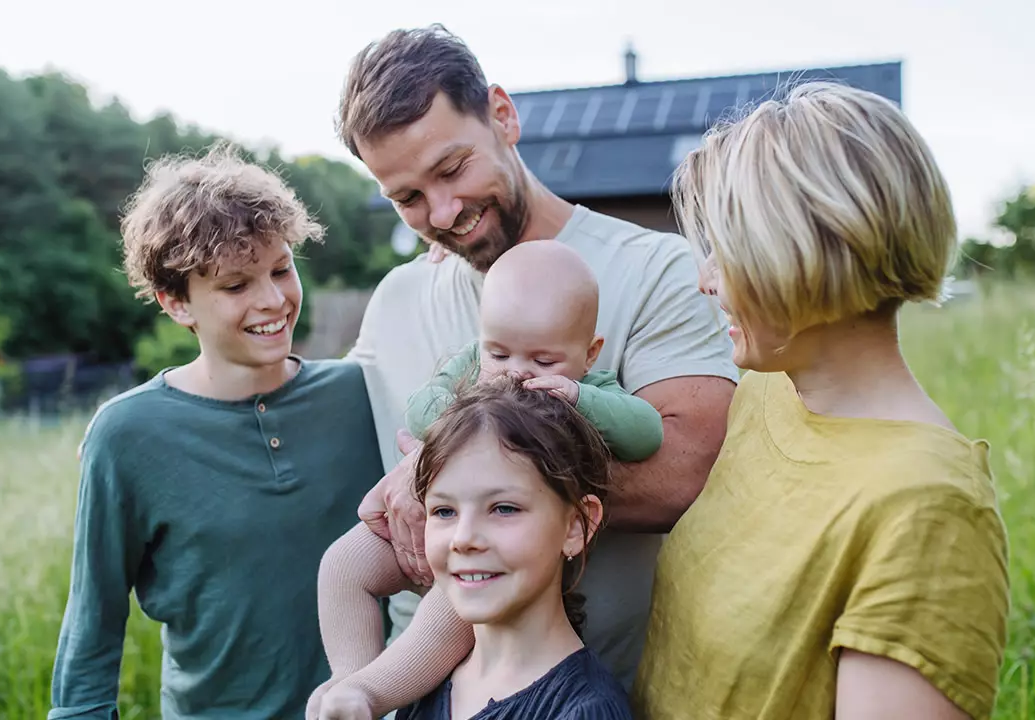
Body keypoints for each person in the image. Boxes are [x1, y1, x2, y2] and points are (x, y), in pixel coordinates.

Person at [335, 23, 740, 692]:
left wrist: (442, 479)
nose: (442, 210)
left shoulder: (658, 269)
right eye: (407, 198)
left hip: (590, 692)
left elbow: (683, 475)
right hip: (422, 694)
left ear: (502, 115)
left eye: (452, 167)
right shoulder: (397, 298)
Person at [632, 81, 1009, 719]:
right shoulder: (763, 395)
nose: (705, 281)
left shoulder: (927, 510)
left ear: (801, 252)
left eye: (725, 253)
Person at [47, 142, 385, 719]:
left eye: (281, 269)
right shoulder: (128, 434)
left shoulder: (362, 394)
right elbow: (94, 620)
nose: (273, 299)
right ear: (177, 303)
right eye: (236, 286)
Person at [310, 239, 664, 716]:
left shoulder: (586, 390)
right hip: (439, 506)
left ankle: (369, 692)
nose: (516, 374)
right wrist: (468, 417)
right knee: (341, 565)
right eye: (499, 354)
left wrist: (576, 396)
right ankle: (349, 681)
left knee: (453, 598)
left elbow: (646, 433)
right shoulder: (474, 368)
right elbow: (420, 412)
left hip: (510, 607)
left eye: (542, 362)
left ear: (590, 353)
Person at [328, 376, 637, 719]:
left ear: (576, 526)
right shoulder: (422, 685)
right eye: (444, 511)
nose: (463, 538)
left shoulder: (584, 711)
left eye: (504, 508)